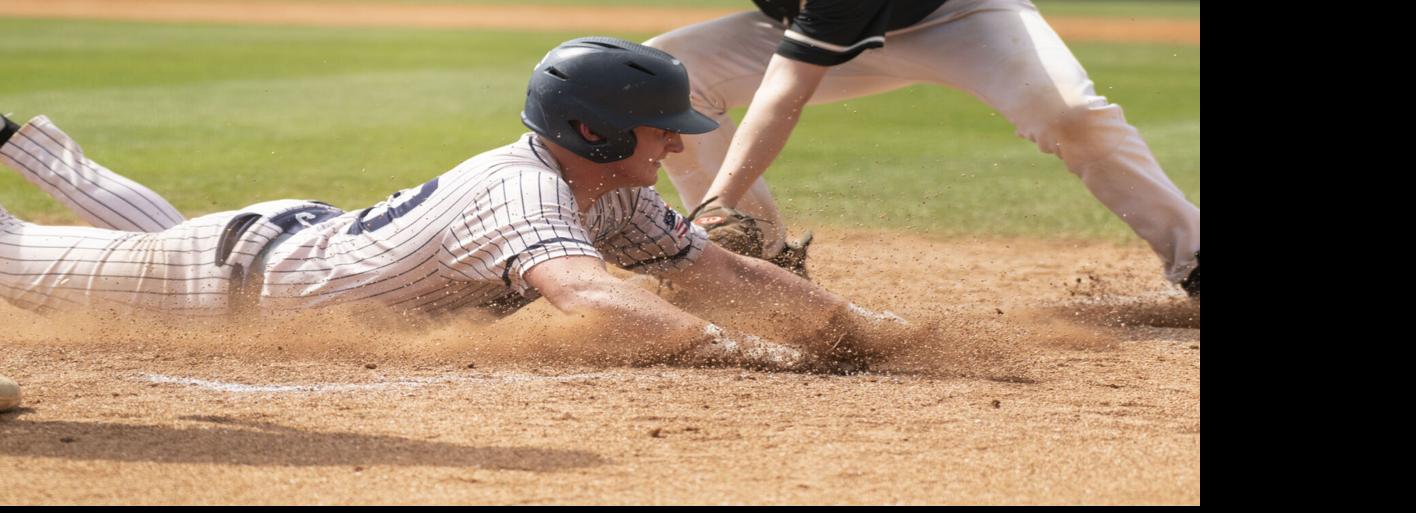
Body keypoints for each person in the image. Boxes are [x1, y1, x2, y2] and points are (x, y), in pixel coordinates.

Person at [0, 37, 911, 371]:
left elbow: (715, 270)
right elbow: (593, 299)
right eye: (659, 128)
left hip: (275, 241)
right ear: (592, 134)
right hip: (208, 285)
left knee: (172, 232)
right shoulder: (523, 191)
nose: (676, 144)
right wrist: (756, 356)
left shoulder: (605, 188)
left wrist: (854, 326)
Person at [646, 0, 1200, 300]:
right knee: (667, 75)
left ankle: (1192, 254)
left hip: (960, 18)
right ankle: (753, 261)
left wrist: (720, 201)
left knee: (1071, 115)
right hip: (800, 25)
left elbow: (788, 89)